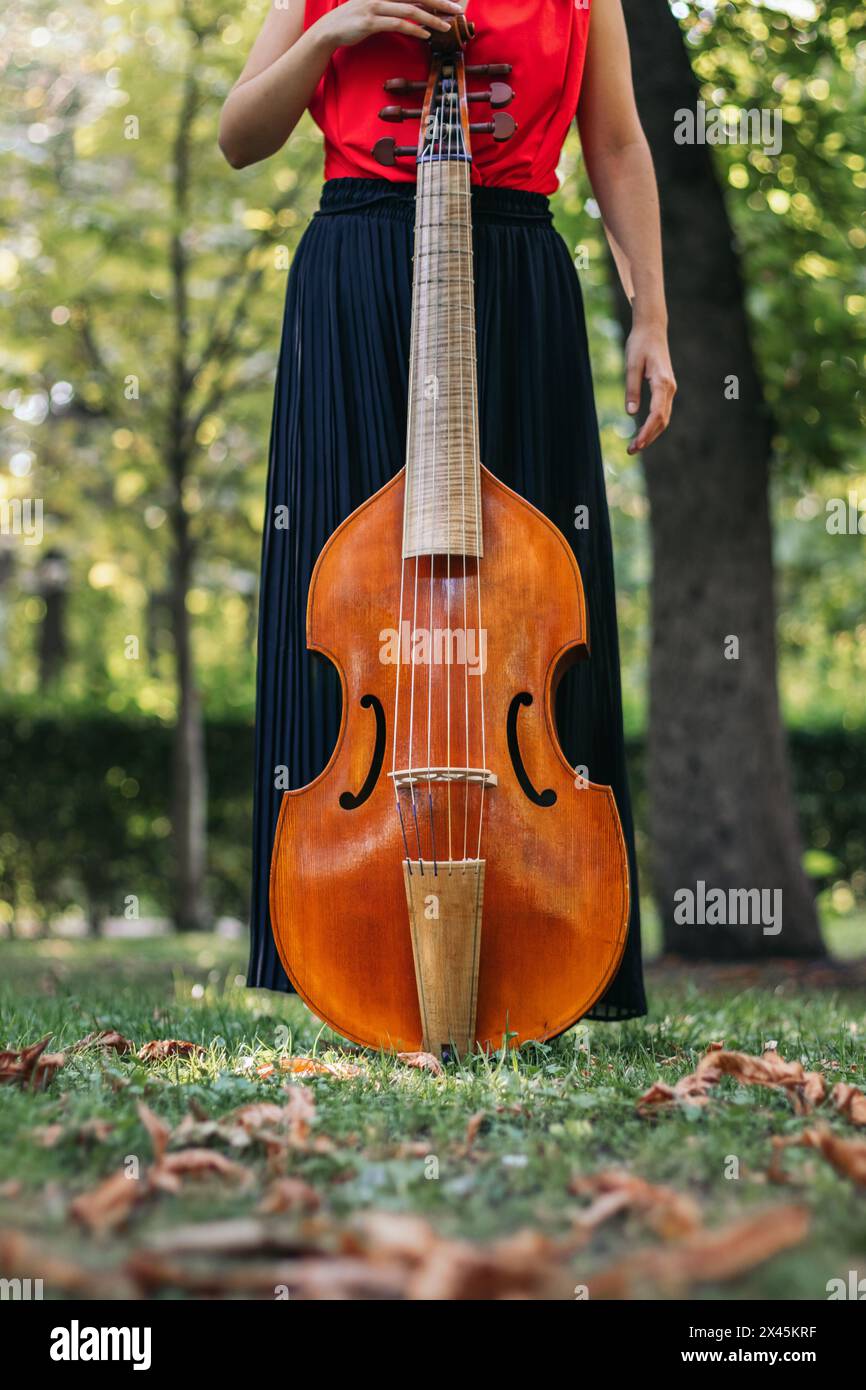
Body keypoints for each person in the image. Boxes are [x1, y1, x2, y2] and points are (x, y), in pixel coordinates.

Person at [220, 0, 676, 1021]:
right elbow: (240, 136)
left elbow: (612, 139)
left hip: (513, 271)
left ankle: (544, 929)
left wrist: (648, 313)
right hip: (359, 272)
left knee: (527, 604)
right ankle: (336, 934)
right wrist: (331, 32)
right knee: (341, 602)